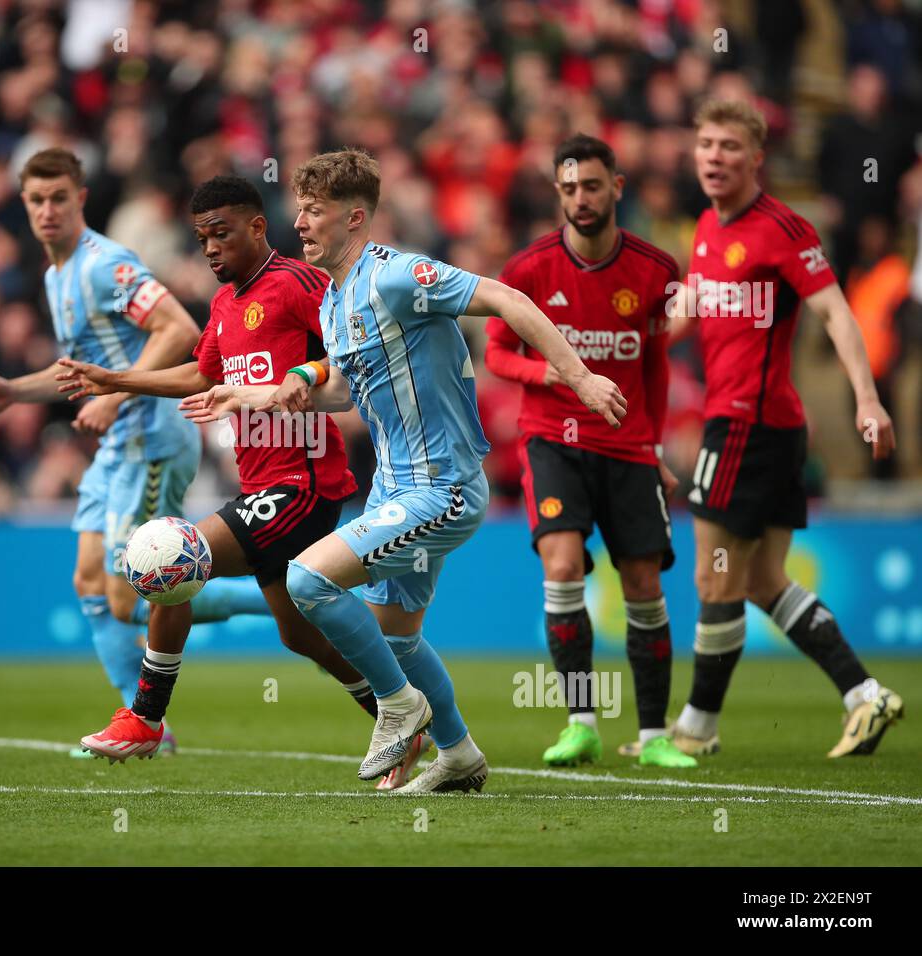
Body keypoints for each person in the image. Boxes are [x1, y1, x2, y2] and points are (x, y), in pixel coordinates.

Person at [186, 149, 626, 793]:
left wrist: (581, 377)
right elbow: (344, 391)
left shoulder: (398, 274)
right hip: (395, 487)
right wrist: (256, 393)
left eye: (314, 212)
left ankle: (399, 707)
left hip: (442, 487)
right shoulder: (335, 301)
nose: (300, 224)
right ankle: (458, 755)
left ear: (355, 217)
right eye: (299, 211)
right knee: (396, 638)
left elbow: (508, 299)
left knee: (308, 579)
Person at [59, 175, 429, 786]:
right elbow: (201, 374)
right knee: (300, 636)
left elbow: (351, 346)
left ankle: (146, 718)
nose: (209, 248)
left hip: (304, 484)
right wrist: (119, 380)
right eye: (201, 237)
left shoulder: (297, 284)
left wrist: (305, 375)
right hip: (262, 487)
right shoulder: (228, 304)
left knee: (168, 555)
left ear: (257, 227)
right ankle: (402, 713)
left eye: (221, 234)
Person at [0, 150, 267, 756]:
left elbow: (179, 331)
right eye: (35, 200)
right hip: (118, 446)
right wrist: (15, 392)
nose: (47, 210)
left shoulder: (106, 265)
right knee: (88, 583)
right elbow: (81, 370)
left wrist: (112, 393)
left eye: (58, 198)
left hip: (153, 438)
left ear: (81, 197)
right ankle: (141, 722)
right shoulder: (58, 275)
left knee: (128, 596)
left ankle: (283, 593)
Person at [670, 100, 903, 758]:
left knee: (716, 578)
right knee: (765, 580)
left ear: (757, 158)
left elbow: (835, 312)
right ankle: (864, 695)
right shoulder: (707, 229)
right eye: (706, 144)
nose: (714, 156)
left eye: (729, 146)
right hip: (755, 427)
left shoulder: (783, 228)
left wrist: (868, 399)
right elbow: (691, 304)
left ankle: (695, 729)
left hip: (747, 426)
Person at [486, 134, 696, 768]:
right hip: (553, 439)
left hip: (628, 447)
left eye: (594, 186)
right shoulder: (526, 271)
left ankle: (655, 735)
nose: (582, 198)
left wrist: (654, 444)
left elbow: (656, 363)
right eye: (570, 188)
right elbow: (495, 354)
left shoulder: (656, 271)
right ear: (558, 192)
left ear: (617, 188)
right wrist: (546, 375)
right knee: (563, 566)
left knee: (641, 582)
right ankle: (581, 721)